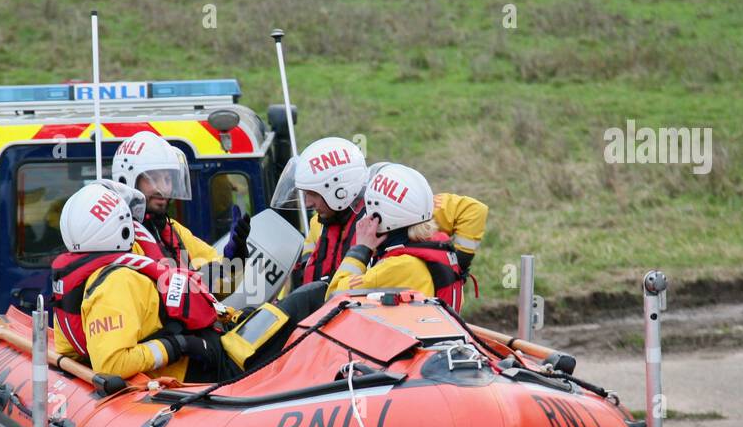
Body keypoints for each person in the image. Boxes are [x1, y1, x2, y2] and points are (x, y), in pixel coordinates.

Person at [51, 184, 325, 384]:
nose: (164, 188)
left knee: (268, 311)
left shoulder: (91, 270)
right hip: (205, 363)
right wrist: (176, 346)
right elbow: (111, 363)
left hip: (210, 339)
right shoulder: (117, 281)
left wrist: (235, 257)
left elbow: (203, 286)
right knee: (309, 298)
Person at [326, 162, 488, 310]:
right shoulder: (438, 246)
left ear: (380, 216)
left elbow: (333, 297)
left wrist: (360, 249)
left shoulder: (396, 267)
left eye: (369, 211)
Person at [111, 131, 250, 272]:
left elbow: (219, 283)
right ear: (126, 180)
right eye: (153, 179)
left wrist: (233, 261)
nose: (164, 189)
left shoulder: (173, 231)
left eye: (168, 179)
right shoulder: (118, 237)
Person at [271, 137, 369, 289]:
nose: (308, 203)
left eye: (313, 194)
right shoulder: (318, 222)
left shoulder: (372, 229)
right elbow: (302, 271)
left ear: (341, 191)